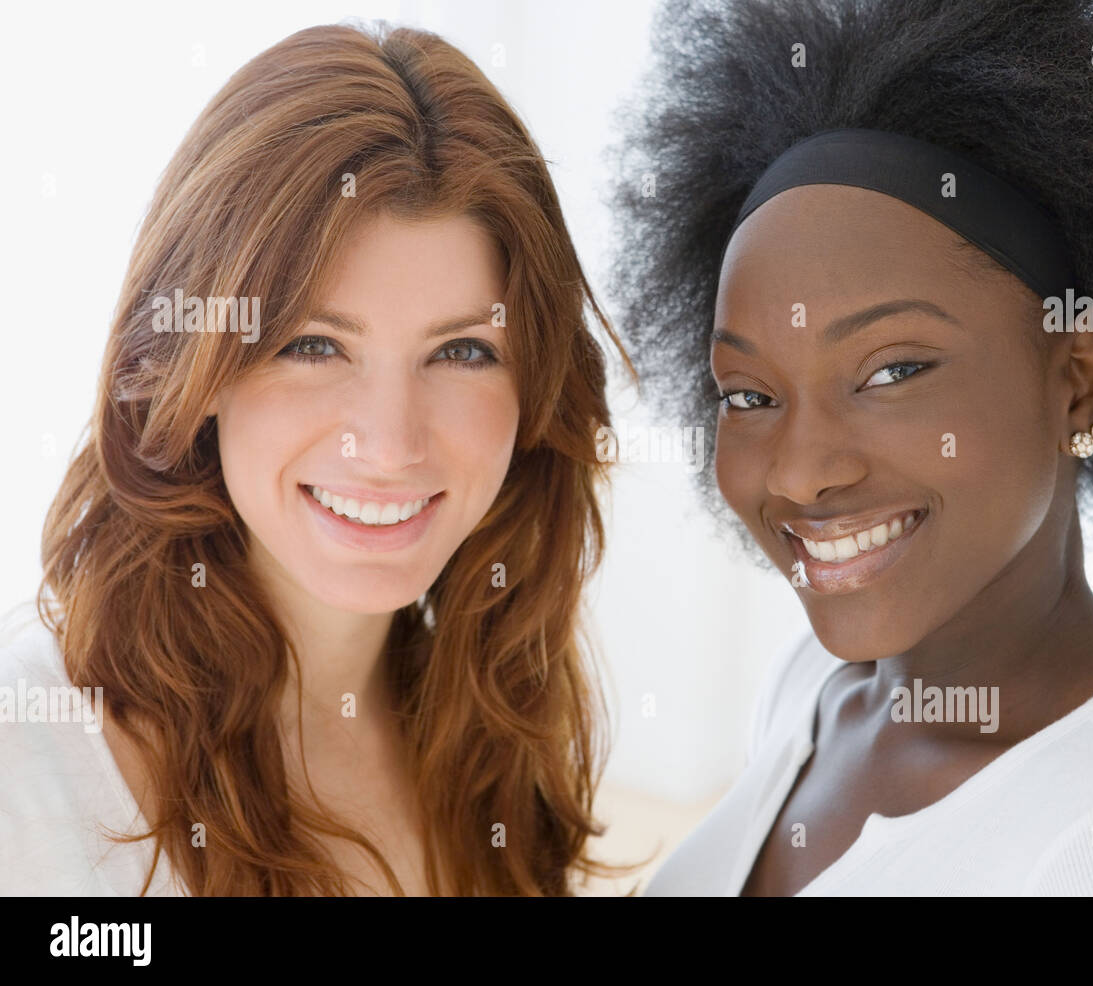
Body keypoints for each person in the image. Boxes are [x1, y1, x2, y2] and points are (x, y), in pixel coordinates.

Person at [610, 0, 1093, 895]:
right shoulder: (820, 682)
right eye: (750, 395)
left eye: (893, 372)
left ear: (1078, 380)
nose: (799, 473)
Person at [0, 21, 630, 896]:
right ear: (197, 369)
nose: (387, 444)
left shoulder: (495, 754)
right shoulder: (25, 757)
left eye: (462, 353)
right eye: (313, 345)